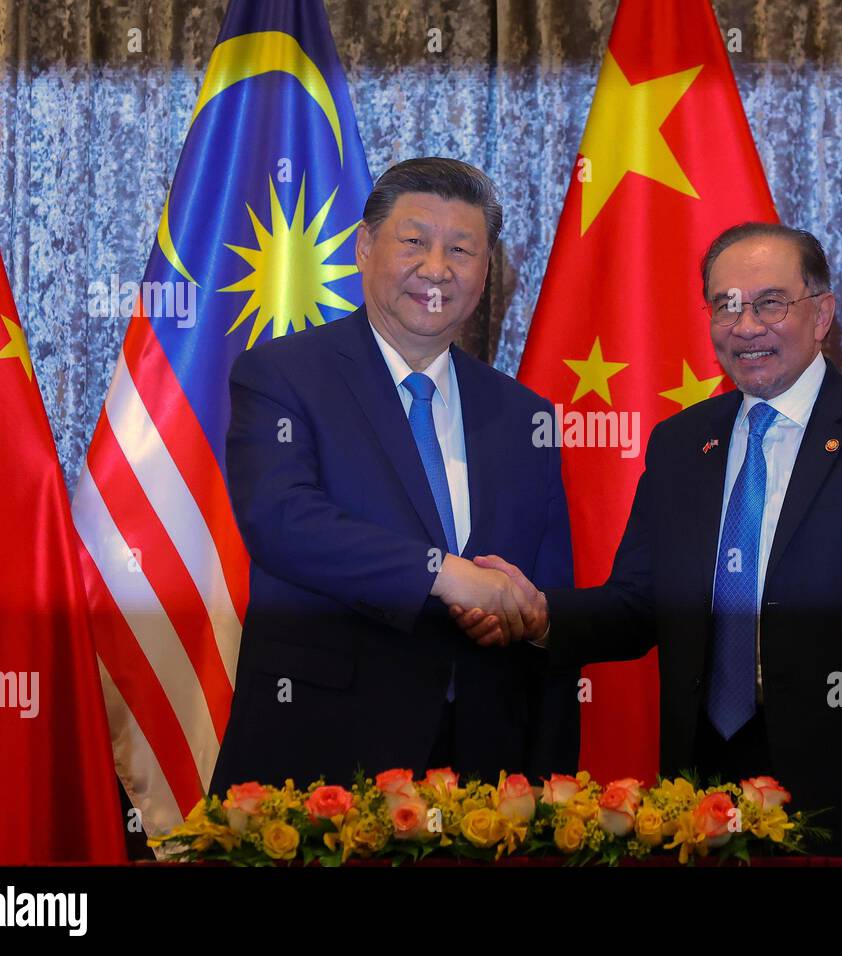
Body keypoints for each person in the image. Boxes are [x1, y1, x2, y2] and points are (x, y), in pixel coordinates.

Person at [453, 223, 842, 857]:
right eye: (726, 304)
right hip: (698, 800)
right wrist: (539, 612)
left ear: (822, 314)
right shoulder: (681, 444)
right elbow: (637, 604)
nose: (746, 324)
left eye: (769, 302)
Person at [210, 158, 577, 795]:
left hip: (488, 774)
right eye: (414, 241)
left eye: (461, 249)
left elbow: (546, 595)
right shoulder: (282, 376)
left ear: (486, 272)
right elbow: (283, 523)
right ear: (363, 246)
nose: (436, 268)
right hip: (322, 760)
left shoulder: (526, 416)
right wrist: (447, 575)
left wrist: (521, 617)